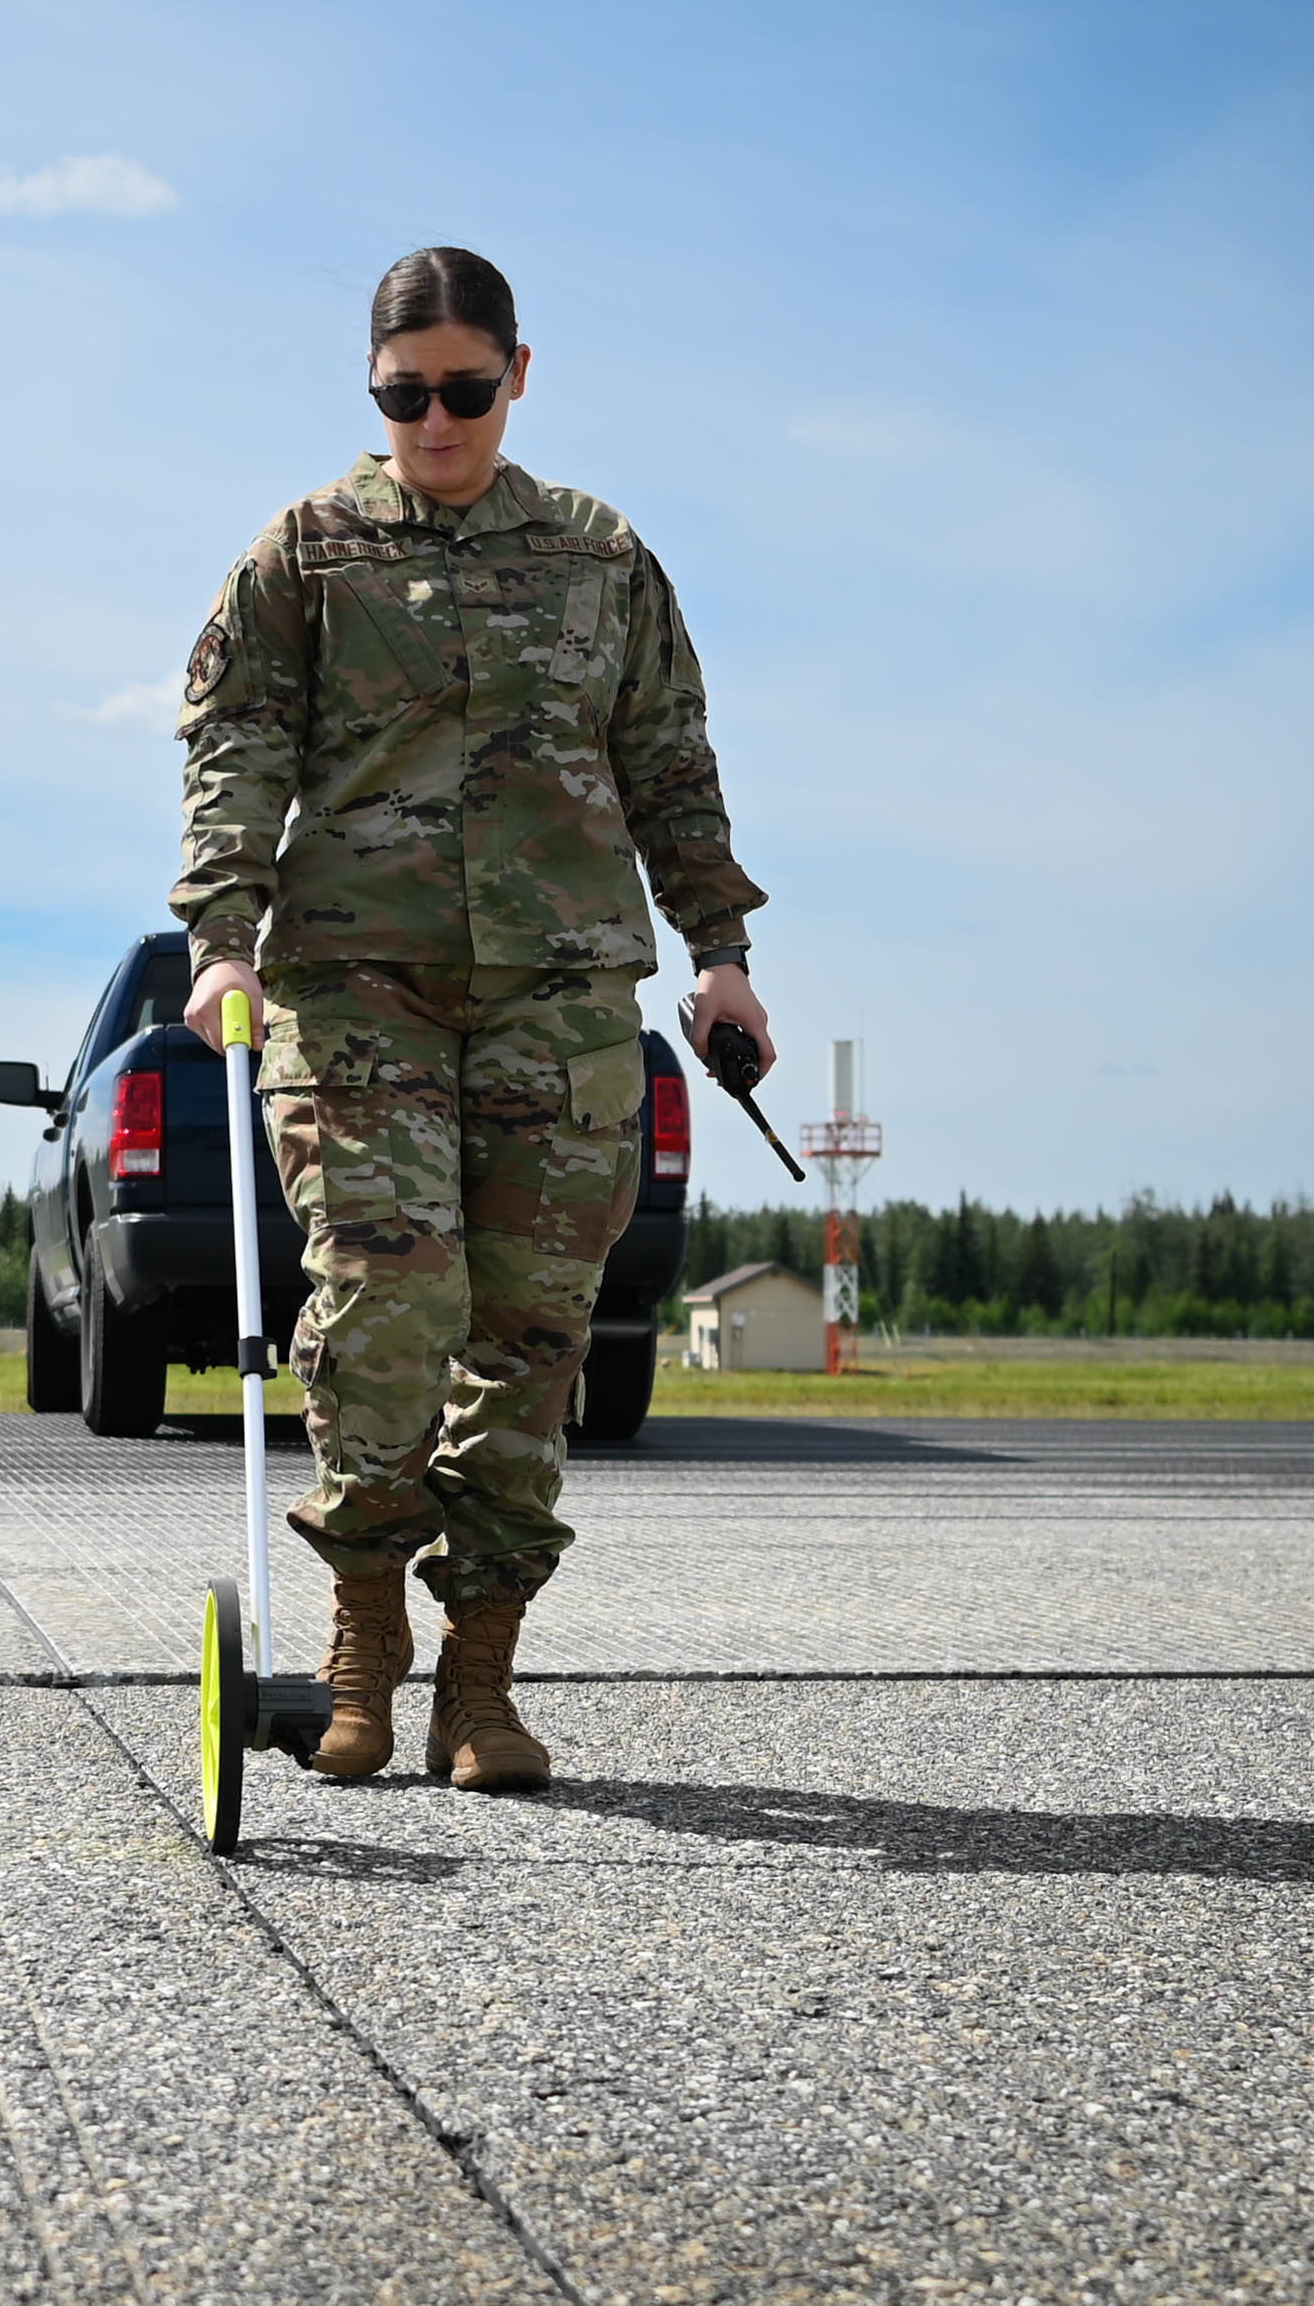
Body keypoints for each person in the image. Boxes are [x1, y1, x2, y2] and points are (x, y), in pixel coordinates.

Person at [173, 245, 774, 1792]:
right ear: (369, 388)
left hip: (558, 986)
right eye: (398, 395)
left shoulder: (599, 555)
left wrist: (720, 952)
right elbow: (235, 741)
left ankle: (480, 1682)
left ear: (517, 373)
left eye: (458, 388)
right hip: (353, 977)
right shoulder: (304, 553)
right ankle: (362, 1645)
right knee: (386, 1304)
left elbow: (667, 752)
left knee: (525, 1339)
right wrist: (222, 938)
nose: (429, 421)